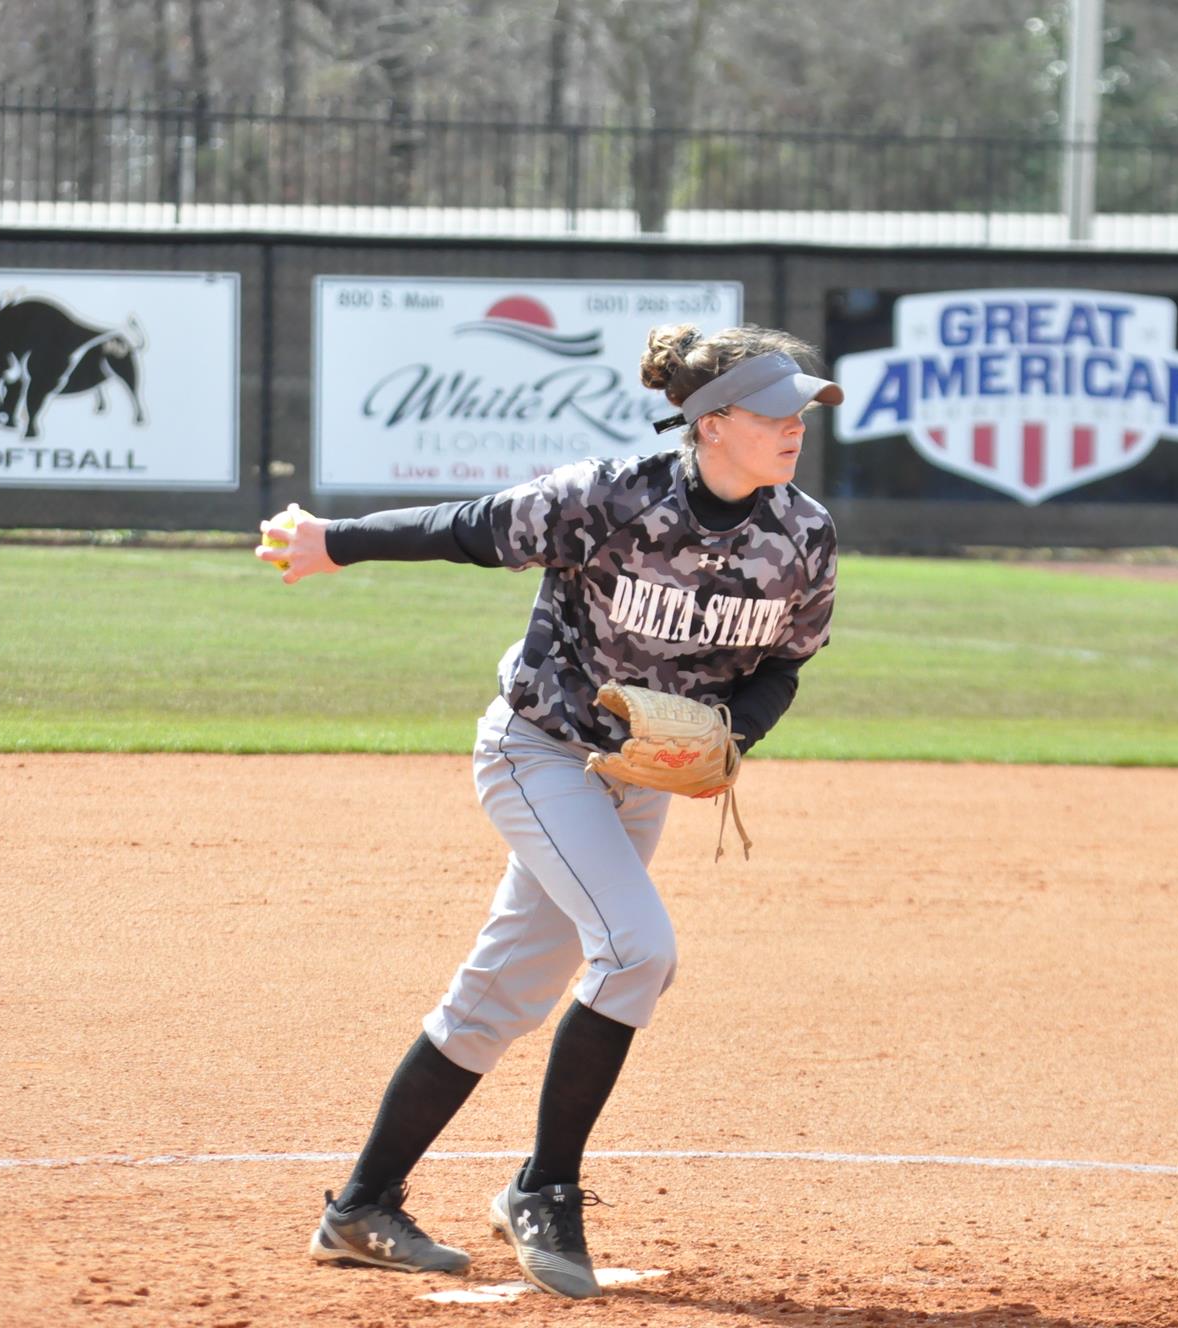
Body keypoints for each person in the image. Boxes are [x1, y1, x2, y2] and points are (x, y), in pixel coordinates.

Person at [256, 323, 842, 1299]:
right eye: (775, 412)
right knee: (637, 951)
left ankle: (358, 1207)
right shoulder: (608, 498)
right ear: (712, 422)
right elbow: (468, 525)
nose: (795, 428)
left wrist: (735, 731)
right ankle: (544, 1187)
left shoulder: (803, 534)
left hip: (639, 780)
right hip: (538, 751)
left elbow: (786, 662)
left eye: (802, 412)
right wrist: (333, 544)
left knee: (501, 995)